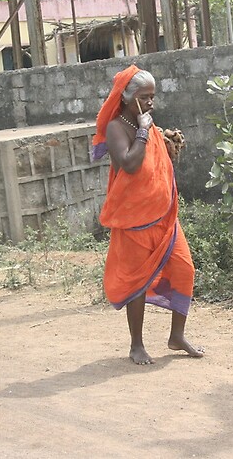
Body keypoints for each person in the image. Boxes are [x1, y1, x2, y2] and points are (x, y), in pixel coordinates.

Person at [92, 64, 204, 365]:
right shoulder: (119, 127)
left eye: (153, 96)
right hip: (133, 221)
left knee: (184, 269)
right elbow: (129, 164)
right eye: (144, 96)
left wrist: (166, 145)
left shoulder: (149, 125)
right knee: (137, 282)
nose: (150, 102)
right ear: (128, 97)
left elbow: (154, 166)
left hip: (163, 217)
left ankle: (176, 336)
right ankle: (136, 345)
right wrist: (143, 130)